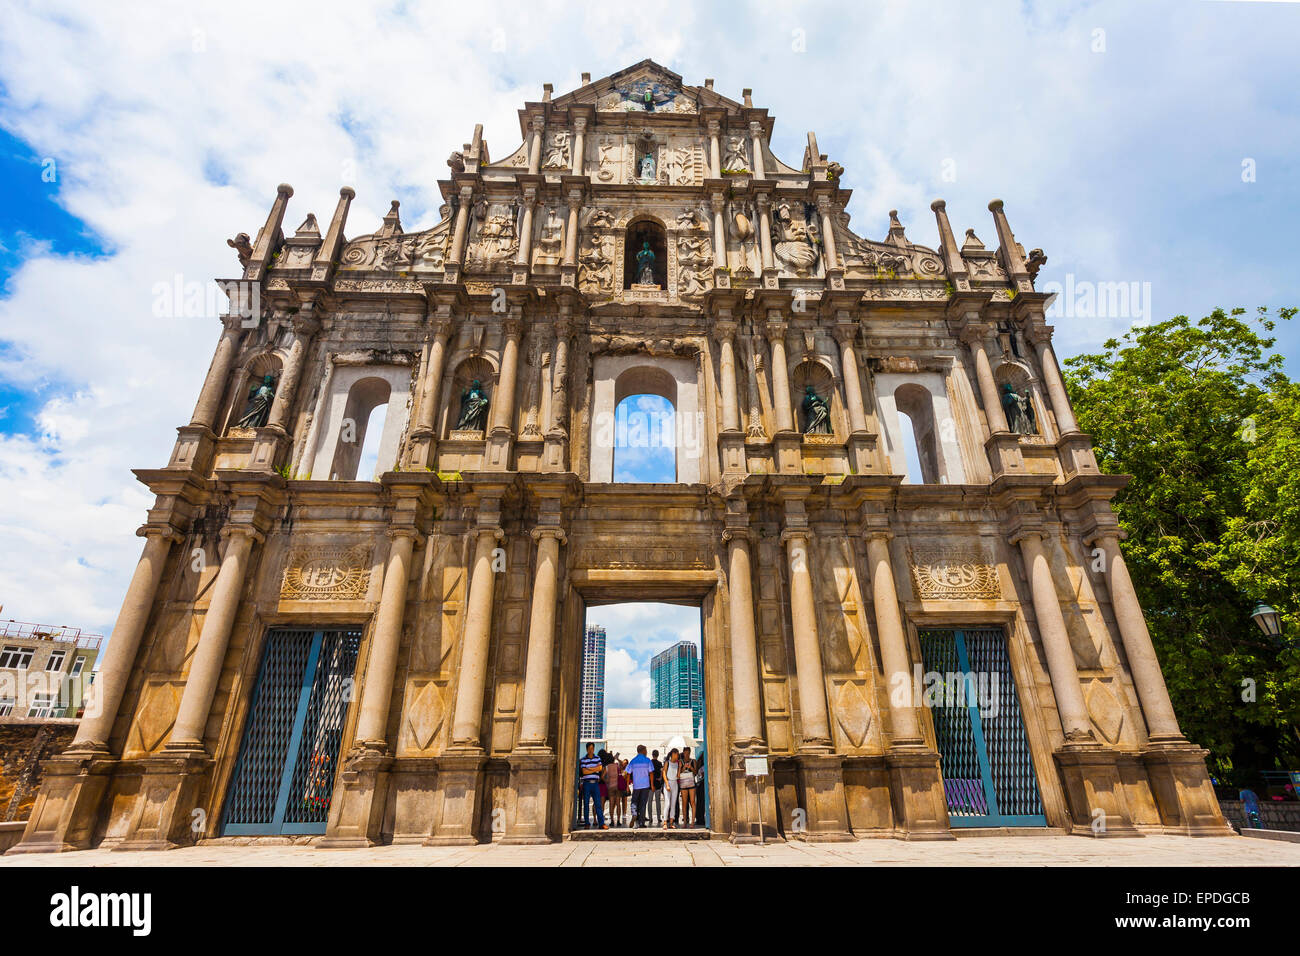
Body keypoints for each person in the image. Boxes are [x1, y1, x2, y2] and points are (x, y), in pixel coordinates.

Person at [578, 743, 607, 829]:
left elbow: (600, 768)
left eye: (592, 748)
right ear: (587, 749)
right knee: (586, 804)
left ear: (594, 749)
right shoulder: (583, 759)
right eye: (589, 749)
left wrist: (589, 769)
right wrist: (594, 769)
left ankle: (601, 824)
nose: (591, 750)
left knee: (598, 804)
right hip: (586, 783)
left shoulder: (597, 758)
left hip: (595, 784)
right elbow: (584, 772)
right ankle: (587, 823)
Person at [626, 745, 655, 828]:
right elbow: (651, 773)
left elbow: (628, 773)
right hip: (645, 785)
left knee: (634, 801)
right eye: (646, 750)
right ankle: (641, 823)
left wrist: (627, 785)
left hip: (636, 785)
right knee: (643, 804)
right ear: (642, 751)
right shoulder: (647, 760)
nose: (646, 752)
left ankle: (634, 813)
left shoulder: (633, 761)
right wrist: (652, 785)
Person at [662, 748, 681, 829]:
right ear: (673, 754)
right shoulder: (667, 762)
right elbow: (664, 773)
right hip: (668, 782)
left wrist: (680, 767)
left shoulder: (678, 763)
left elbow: (678, 776)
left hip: (675, 783)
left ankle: (671, 822)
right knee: (667, 803)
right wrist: (667, 784)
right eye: (677, 754)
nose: (677, 756)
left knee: (673, 804)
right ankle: (665, 822)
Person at [679, 746, 697, 827]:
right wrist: (683, 768)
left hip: (691, 783)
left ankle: (692, 822)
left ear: (690, 753)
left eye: (688, 753)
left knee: (692, 802)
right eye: (685, 753)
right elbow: (678, 773)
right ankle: (685, 821)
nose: (687, 755)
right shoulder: (680, 761)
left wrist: (691, 768)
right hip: (683, 784)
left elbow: (696, 773)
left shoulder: (693, 761)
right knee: (684, 802)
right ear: (683, 753)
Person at [604, 754, 623, 826]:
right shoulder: (617, 766)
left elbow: (602, 777)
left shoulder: (607, 767)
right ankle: (618, 820)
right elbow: (622, 764)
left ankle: (612, 820)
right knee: (618, 804)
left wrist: (607, 781)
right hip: (617, 787)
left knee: (611, 804)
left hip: (610, 787)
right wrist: (617, 759)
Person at [650, 749, 664, 826]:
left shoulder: (650, 762)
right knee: (658, 801)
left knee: (649, 802)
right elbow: (662, 772)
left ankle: (650, 817)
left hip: (650, 784)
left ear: (652, 755)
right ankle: (659, 817)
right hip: (658, 784)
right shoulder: (659, 763)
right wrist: (660, 778)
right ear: (658, 755)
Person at [616, 758, 630, 825]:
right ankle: (617, 815)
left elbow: (627, 779)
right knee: (617, 802)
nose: (624, 763)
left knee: (624, 800)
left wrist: (627, 787)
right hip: (618, 787)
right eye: (623, 762)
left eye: (626, 763)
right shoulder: (618, 769)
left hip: (624, 787)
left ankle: (624, 813)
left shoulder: (626, 771)